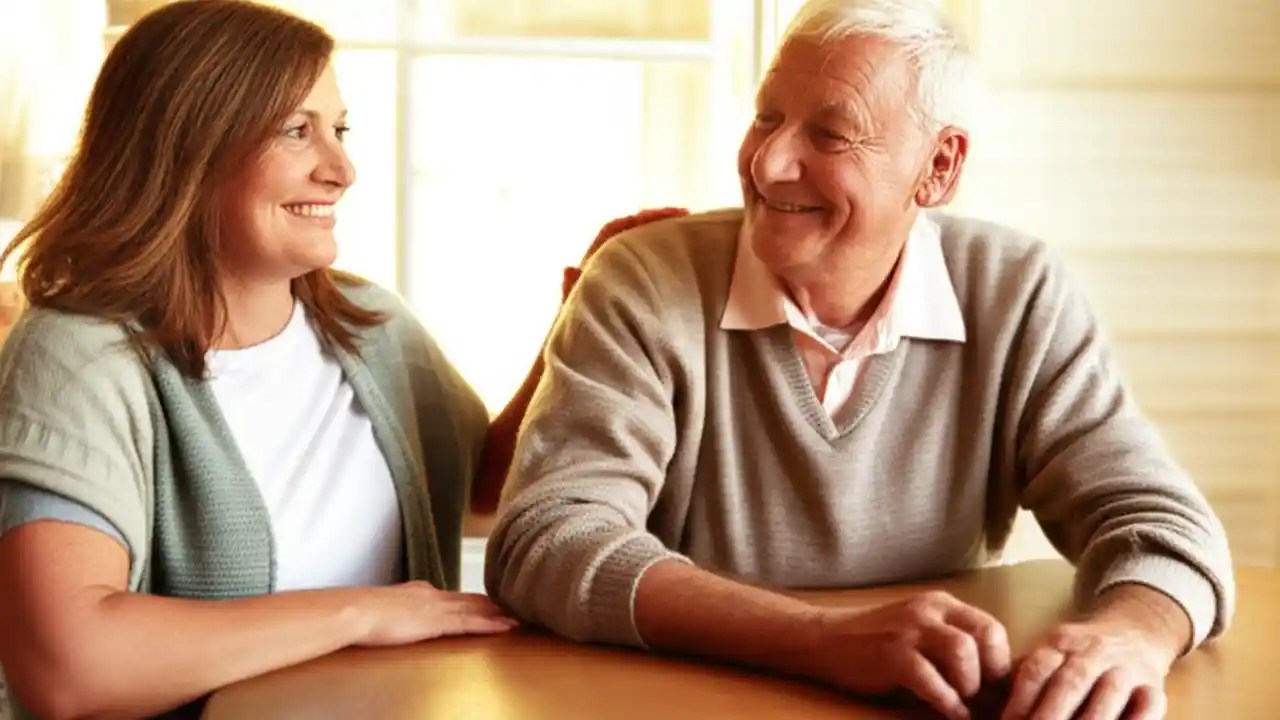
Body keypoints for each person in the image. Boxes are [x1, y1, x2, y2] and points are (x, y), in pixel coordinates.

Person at [485, 1, 1236, 719]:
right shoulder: (641, 280)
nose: (771, 162)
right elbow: (546, 542)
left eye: (830, 134)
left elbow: (1163, 524)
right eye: (766, 118)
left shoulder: (1016, 291)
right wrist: (822, 641)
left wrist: (1133, 636)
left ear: (939, 167)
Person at [0, 1, 573, 717]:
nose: (342, 169)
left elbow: (478, 494)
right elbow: (66, 668)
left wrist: (579, 327)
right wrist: (360, 614)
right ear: (186, 148)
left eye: (340, 129)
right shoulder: (79, 356)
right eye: (297, 131)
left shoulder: (374, 328)